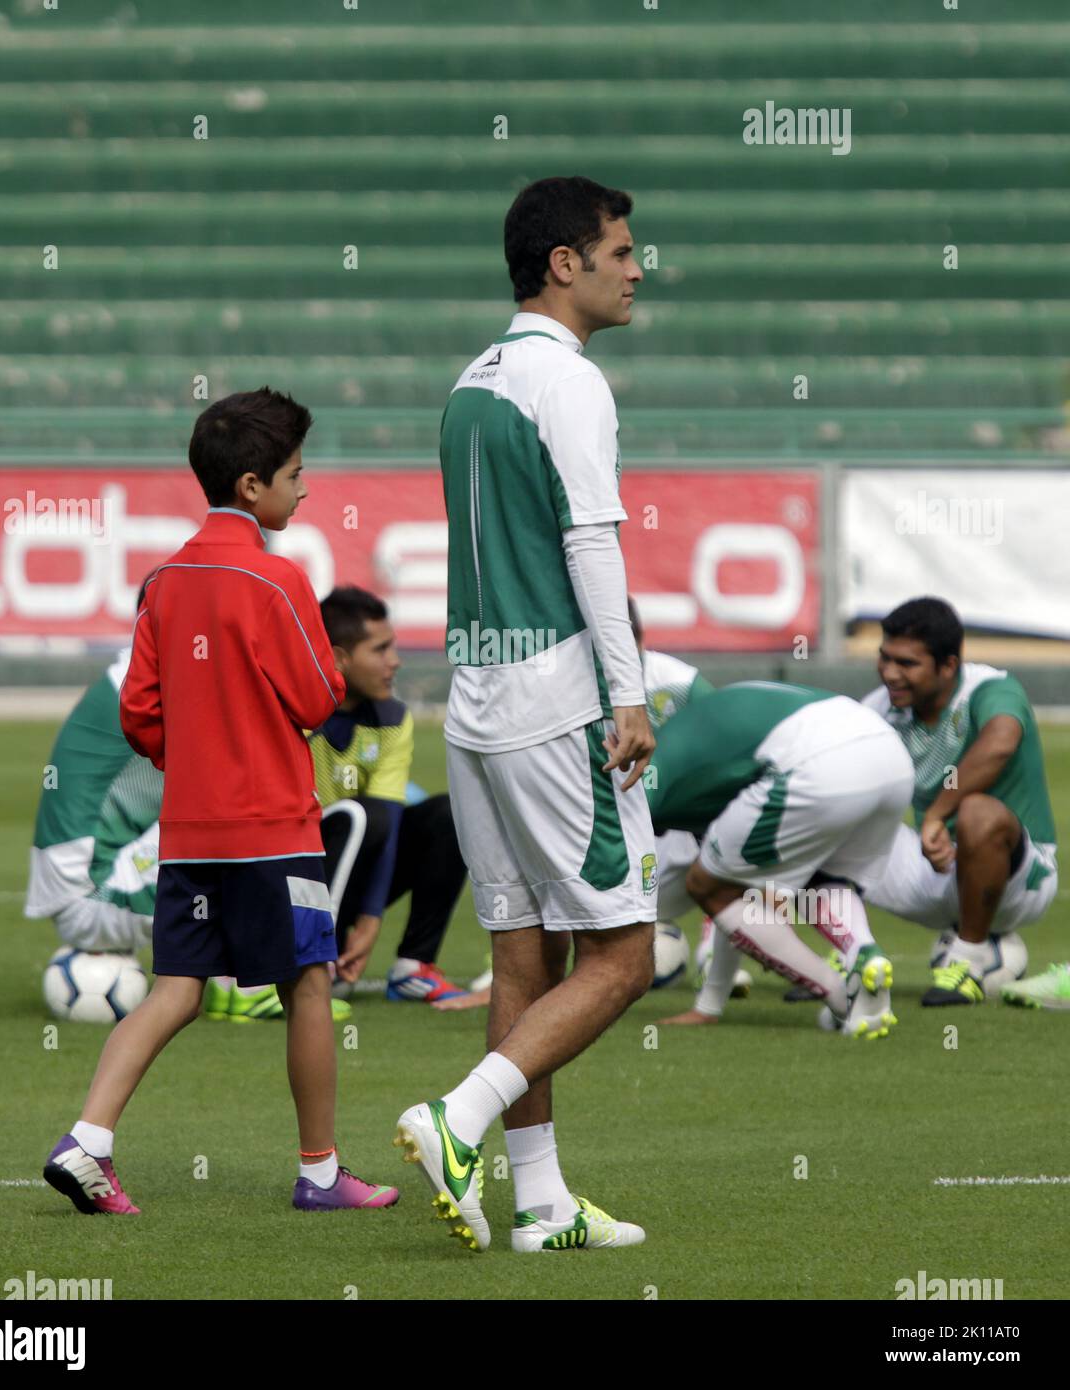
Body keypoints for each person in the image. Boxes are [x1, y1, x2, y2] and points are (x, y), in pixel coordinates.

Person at [42, 387, 398, 1215]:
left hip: (193, 833)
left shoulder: (162, 582)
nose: (304, 489)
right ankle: (319, 1174)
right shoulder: (279, 580)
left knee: (176, 989)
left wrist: (196, 758)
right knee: (309, 983)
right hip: (275, 829)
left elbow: (140, 714)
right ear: (251, 486)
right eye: (295, 473)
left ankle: (87, 1140)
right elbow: (317, 700)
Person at [394, 175, 655, 1255]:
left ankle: (541, 1206)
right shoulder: (568, 382)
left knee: (521, 960)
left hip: (474, 702)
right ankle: (457, 1116)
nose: (637, 268)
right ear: (564, 261)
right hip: (553, 705)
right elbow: (590, 541)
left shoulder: (470, 381)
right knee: (626, 954)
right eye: (621, 249)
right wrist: (628, 692)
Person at [433, 595, 728, 1011]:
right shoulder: (563, 686)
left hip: (675, 847)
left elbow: (728, 741)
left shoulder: (678, 684)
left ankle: (714, 952)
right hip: (606, 837)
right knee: (538, 887)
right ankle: (514, 982)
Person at [647, 681, 913, 1038]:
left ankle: (843, 998)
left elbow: (623, 850)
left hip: (820, 765)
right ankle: (865, 953)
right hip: (888, 756)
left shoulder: (654, 775)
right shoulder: (691, 734)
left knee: (706, 884)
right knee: (823, 876)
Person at [861, 596, 1058, 1005]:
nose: (890, 674)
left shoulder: (989, 689)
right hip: (935, 868)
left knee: (977, 812)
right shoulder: (878, 709)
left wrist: (936, 814)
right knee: (830, 814)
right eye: (885, 658)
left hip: (1018, 882)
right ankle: (850, 955)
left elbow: (1001, 742)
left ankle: (966, 962)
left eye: (907, 664)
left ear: (949, 666)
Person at [308, 585, 468, 1003]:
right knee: (355, 815)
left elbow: (389, 822)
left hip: (350, 872)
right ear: (339, 658)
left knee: (448, 814)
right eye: (380, 650)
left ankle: (413, 967)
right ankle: (303, 952)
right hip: (292, 876)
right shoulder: (294, 713)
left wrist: (371, 917)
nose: (394, 662)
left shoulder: (393, 718)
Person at [24, 595, 162, 958]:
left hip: (81, 884)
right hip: (93, 894)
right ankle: (242, 987)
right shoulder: (154, 688)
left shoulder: (137, 673)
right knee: (237, 823)